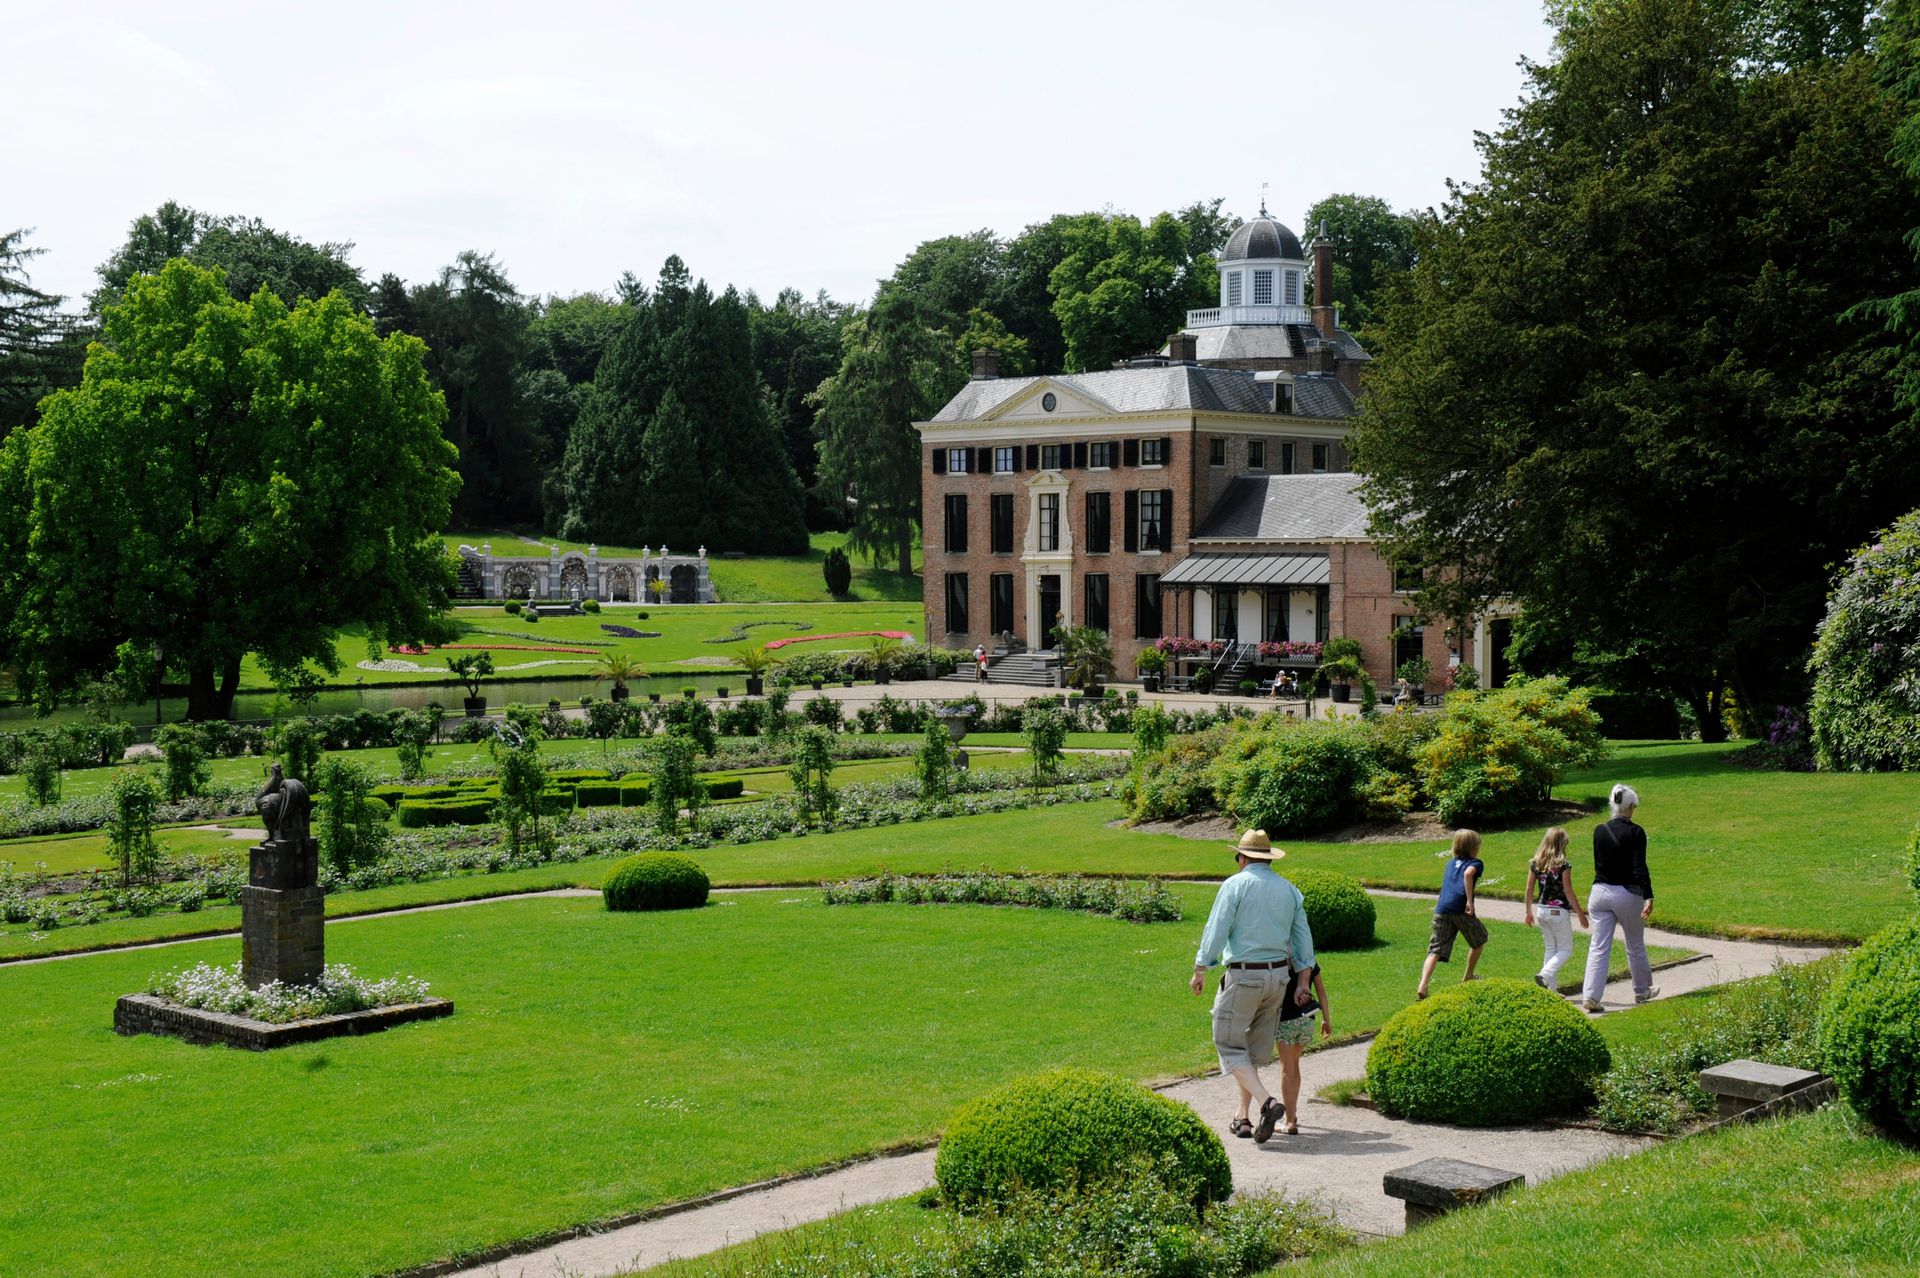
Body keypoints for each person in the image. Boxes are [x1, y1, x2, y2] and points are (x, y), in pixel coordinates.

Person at [1191, 829, 1317, 1144]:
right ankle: (1242, 1118)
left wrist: (1201, 967)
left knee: (1228, 1044)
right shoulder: (1289, 890)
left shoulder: (1235, 885)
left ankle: (1267, 1103)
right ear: (1268, 859)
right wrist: (1303, 981)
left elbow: (1216, 928)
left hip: (1245, 976)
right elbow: (1304, 940)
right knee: (1248, 1052)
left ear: (1242, 858)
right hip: (1278, 980)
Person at [1580, 784, 1658, 1013]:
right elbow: (1639, 867)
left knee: (1598, 946)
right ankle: (1642, 990)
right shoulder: (1636, 832)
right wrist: (1648, 895)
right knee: (1634, 943)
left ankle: (1591, 996)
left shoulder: (1599, 830)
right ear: (1630, 806)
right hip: (1626, 893)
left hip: (1599, 892)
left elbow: (1599, 862)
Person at [1416, 829, 1486, 999]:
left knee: (1435, 949)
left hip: (1442, 909)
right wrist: (1470, 902)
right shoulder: (1476, 863)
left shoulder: (1449, 864)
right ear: (1473, 848)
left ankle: (1423, 985)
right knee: (1479, 939)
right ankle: (1468, 976)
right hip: (1461, 909)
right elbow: (1468, 874)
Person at [1524, 827, 1589, 990]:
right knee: (1565, 950)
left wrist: (1528, 912)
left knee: (1550, 948)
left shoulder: (1536, 863)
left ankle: (1550, 991)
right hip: (1558, 912)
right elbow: (1568, 890)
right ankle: (1545, 974)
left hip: (1542, 910)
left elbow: (1529, 889)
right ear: (1562, 845)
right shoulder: (1563, 865)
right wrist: (1580, 914)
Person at [1272, 963, 1331, 1137]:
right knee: (1294, 1065)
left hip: (1286, 1022)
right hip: (1307, 1020)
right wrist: (1326, 1020)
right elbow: (1321, 991)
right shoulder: (1309, 961)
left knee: (1286, 1069)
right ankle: (1293, 1113)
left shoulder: (1278, 959)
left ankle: (1289, 1122)